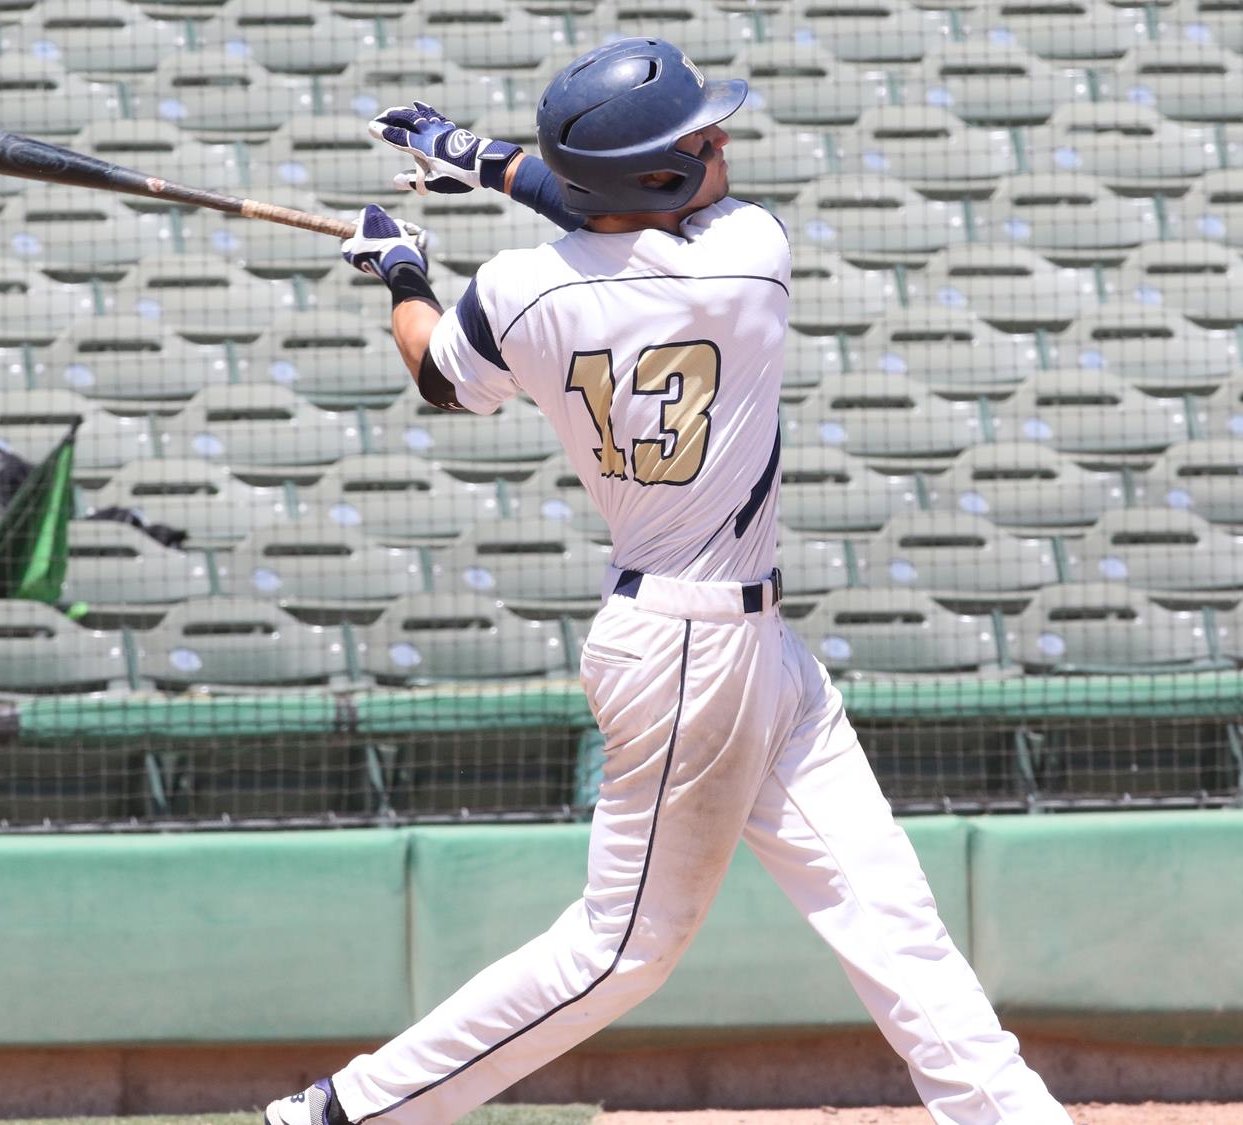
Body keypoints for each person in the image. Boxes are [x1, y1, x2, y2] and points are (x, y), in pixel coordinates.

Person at [263, 39, 1071, 1125]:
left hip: (734, 646)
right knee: (619, 952)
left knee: (889, 917)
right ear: (650, 178)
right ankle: (341, 1113)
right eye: (695, 139)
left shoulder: (511, 295)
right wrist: (477, 157)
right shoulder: (748, 255)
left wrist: (400, 266)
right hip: (691, 651)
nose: (716, 143)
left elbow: (439, 376)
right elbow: (590, 201)